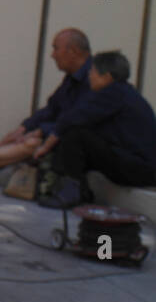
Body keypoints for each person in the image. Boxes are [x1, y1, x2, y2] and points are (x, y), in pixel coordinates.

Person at [0, 28, 91, 180]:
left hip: (80, 142)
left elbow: (76, 120)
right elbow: (51, 108)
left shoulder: (94, 79)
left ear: (72, 51)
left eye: (56, 48)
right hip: (59, 133)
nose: (52, 55)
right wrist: (24, 128)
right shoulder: (72, 78)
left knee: (31, 143)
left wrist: (39, 132)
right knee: (14, 138)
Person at [35, 50, 156, 205]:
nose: (89, 76)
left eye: (92, 72)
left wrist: (45, 147)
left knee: (76, 135)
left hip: (139, 168)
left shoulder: (112, 92)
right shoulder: (125, 93)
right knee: (84, 136)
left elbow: (71, 120)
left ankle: (71, 194)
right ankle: (80, 191)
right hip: (139, 166)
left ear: (106, 77)